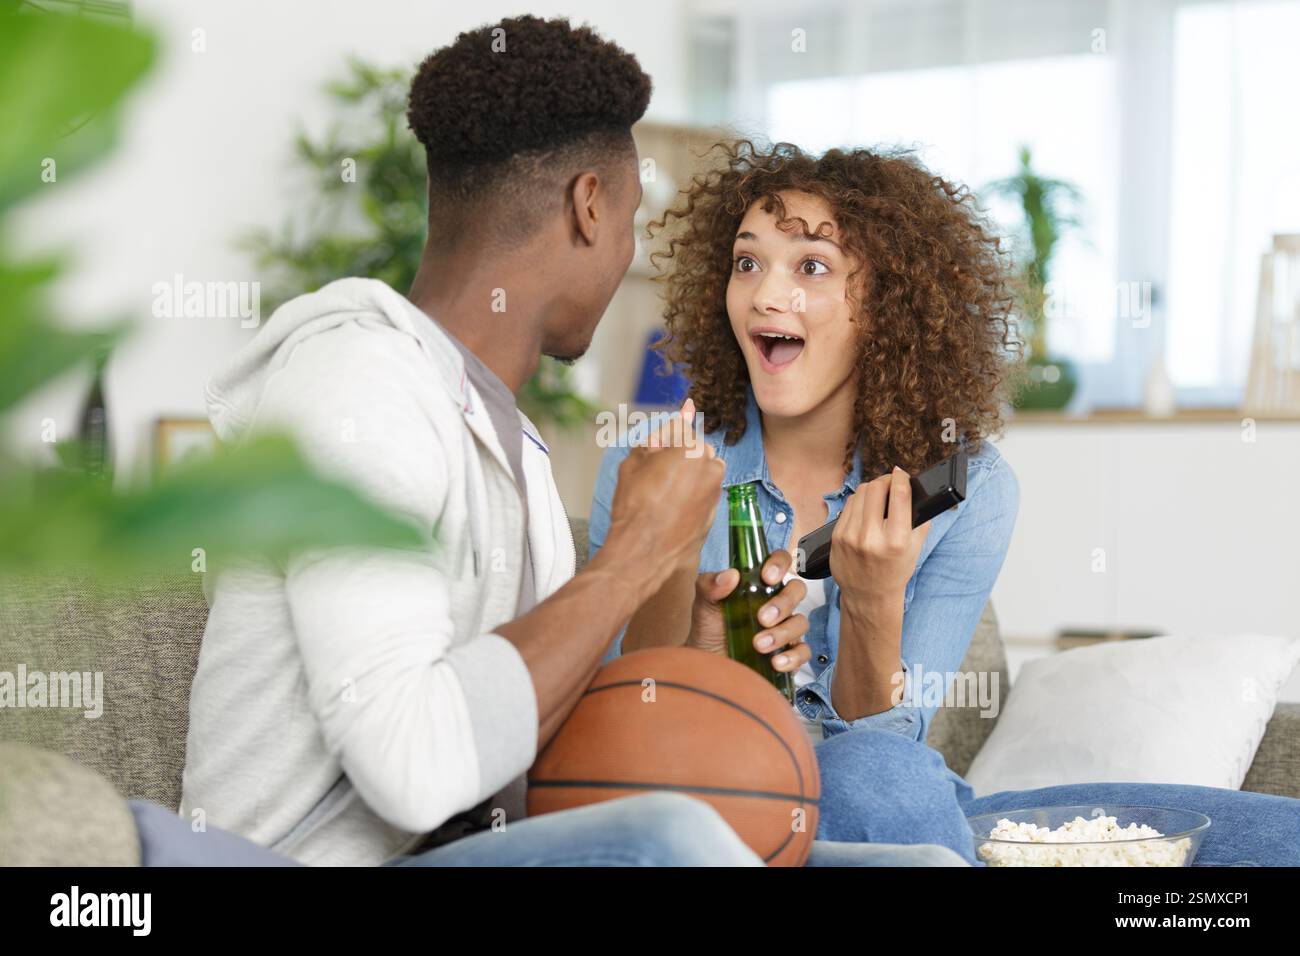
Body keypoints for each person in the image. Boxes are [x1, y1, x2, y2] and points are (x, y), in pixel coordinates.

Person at [166, 17, 964, 868]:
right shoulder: (356, 386)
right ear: (590, 206)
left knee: (917, 864)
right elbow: (411, 769)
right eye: (627, 220)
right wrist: (634, 554)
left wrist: (696, 645)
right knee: (674, 839)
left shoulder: (505, 441)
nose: (627, 253)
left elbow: (553, 759)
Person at [589, 139, 1300, 866]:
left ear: (888, 305)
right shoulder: (651, 461)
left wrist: (873, 604)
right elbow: (612, 745)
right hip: (734, 804)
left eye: (811, 266)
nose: (768, 295)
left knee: (1277, 835)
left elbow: (891, 745)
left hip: (905, 813)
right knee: (880, 779)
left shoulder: (974, 492)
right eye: (748, 263)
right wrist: (700, 653)